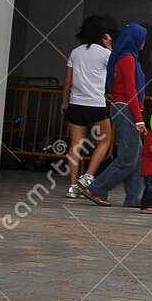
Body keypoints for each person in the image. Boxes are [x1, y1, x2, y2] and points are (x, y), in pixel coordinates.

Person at [84, 23, 148, 209]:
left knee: (135, 156)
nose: (144, 42)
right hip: (126, 108)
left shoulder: (123, 56)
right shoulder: (127, 58)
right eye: (142, 38)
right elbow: (130, 91)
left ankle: (133, 198)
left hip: (122, 108)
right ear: (135, 39)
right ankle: (96, 189)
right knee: (128, 158)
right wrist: (139, 118)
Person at [61, 16, 114, 198]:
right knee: (105, 141)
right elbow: (116, 72)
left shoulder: (75, 52)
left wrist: (64, 101)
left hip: (76, 103)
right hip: (96, 104)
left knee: (75, 146)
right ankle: (88, 176)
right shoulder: (106, 54)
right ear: (103, 34)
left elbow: (67, 80)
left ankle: (72, 187)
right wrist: (110, 48)